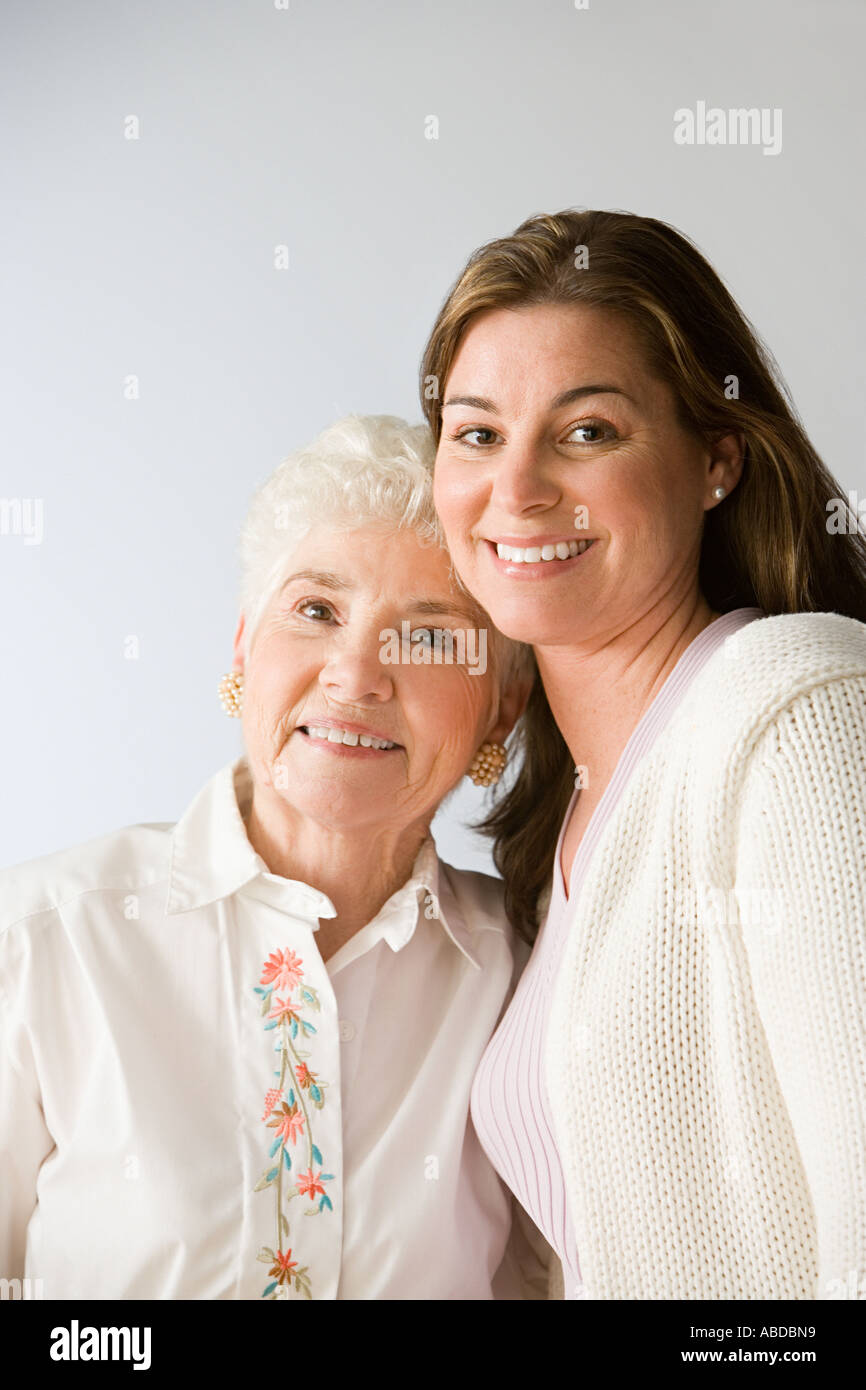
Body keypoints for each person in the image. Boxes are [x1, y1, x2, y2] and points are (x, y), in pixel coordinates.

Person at [0, 413, 549, 1300]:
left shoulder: (530, 975)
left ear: (503, 710)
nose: (355, 674)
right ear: (243, 649)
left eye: (430, 635)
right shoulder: (38, 940)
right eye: (317, 611)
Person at [421, 208, 866, 1299]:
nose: (515, 489)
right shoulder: (560, 830)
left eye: (585, 432)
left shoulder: (796, 707)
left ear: (714, 458)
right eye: (476, 433)